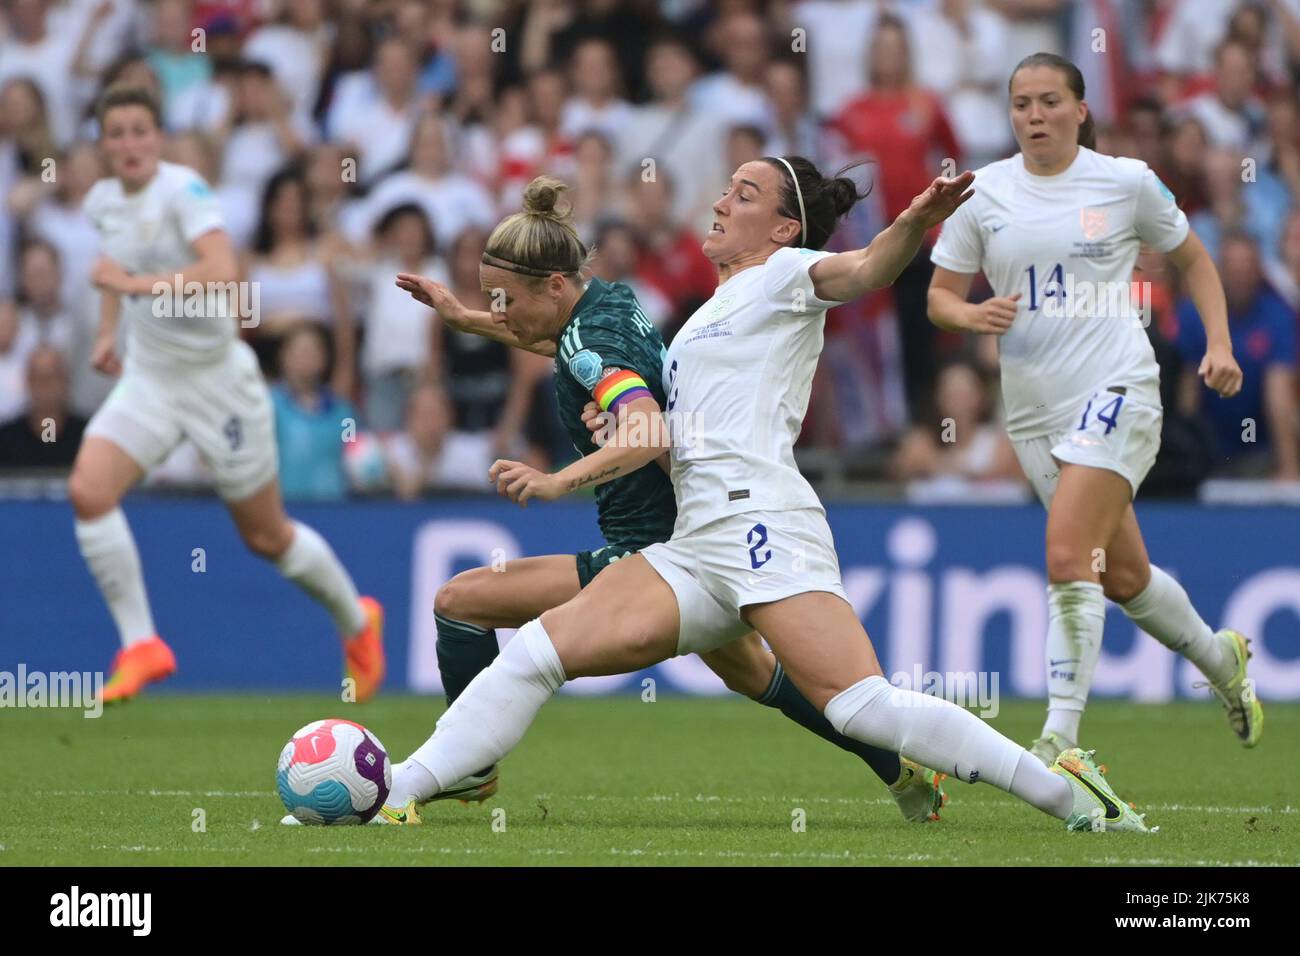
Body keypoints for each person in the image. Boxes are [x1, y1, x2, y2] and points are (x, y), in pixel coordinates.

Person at [381, 159, 1154, 834]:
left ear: (784, 229)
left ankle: (1068, 791)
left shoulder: (790, 275)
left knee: (861, 706)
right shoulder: (707, 314)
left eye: (744, 194)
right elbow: (566, 339)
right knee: (536, 655)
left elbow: (865, 271)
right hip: (694, 545)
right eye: (727, 187)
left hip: (761, 523)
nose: (721, 200)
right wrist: (471, 319)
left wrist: (914, 222)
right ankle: (398, 792)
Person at [388, 177, 948, 822]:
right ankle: (898, 768)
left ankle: (467, 765)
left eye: (502, 298)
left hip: (652, 543)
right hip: (694, 528)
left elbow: (639, 418)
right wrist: (468, 319)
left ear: (553, 287)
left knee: (462, 601)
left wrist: (555, 482)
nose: (498, 311)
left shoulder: (589, 344)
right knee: (752, 671)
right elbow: (556, 340)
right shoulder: (607, 305)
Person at [926, 53, 1263, 765]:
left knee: (1066, 553)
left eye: (1050, 101)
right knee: (1124, 577)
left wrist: (1220, 345)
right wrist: (971, 314)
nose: (1035, 116)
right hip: (1032, 410)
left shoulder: (1124, 182)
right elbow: (938, 296)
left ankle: (1062, 742)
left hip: (1116, 387)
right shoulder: (982, 192)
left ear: (1081, 110)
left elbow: (1195, 260)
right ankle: (1220, 659)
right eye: (1021, 104)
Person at [68, 86, 384, 704]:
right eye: (117, 133)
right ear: (103, 145)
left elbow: (222, 274)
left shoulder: (184, 192)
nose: (129, 143)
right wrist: (109, 331)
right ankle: (141, 645)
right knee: (88, 490)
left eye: (140, 130)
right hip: (152, 378)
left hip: (218, 382)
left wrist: (134, 285)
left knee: (266, 537)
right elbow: (113, 262)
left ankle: (357, 621)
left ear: (157, 139)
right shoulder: (104, 199)